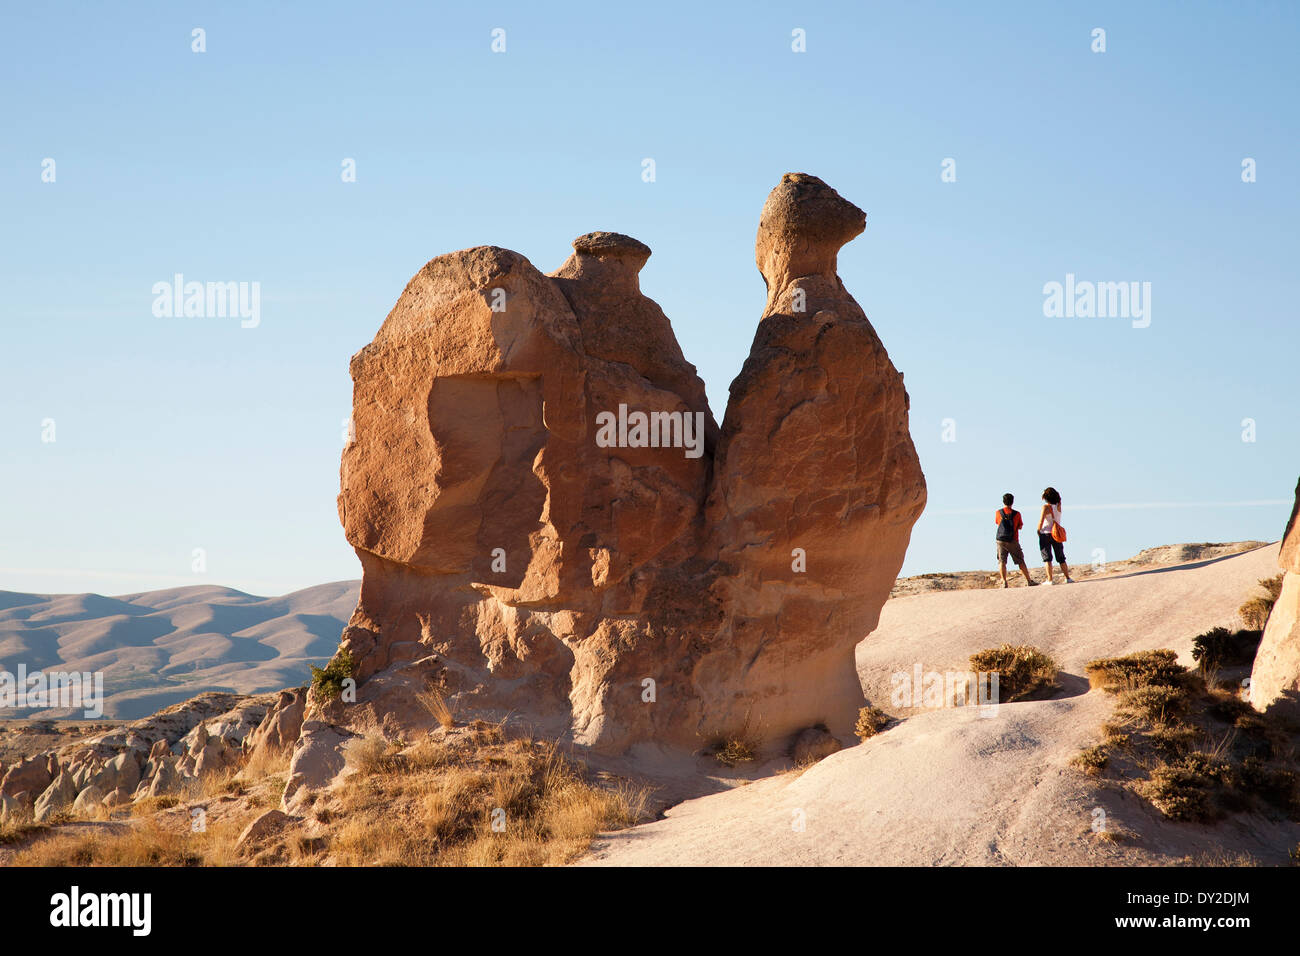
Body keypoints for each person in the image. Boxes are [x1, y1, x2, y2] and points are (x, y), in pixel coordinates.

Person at [994, 493, 1038, 588]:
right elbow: (1020, 526)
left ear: (1003, 501)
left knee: (1002, 561)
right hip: (1013, 540)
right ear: (1012, 502)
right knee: (1020, 561)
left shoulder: (998, 512)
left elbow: (997, 522)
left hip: (1000, 539)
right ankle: (1029, 581)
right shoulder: (1017, 514)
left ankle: (1004, 581)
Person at [1038, 487, 1074, 584]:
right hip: (1056, 534)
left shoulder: (1045, 507)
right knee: (1061, 557)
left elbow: (1041, 521)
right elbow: (1059, 499)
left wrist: (1038, 530)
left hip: (1045, 533)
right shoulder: (1059, 506)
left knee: (1047, 558)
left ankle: (1050, 580)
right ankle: (1067, 578)